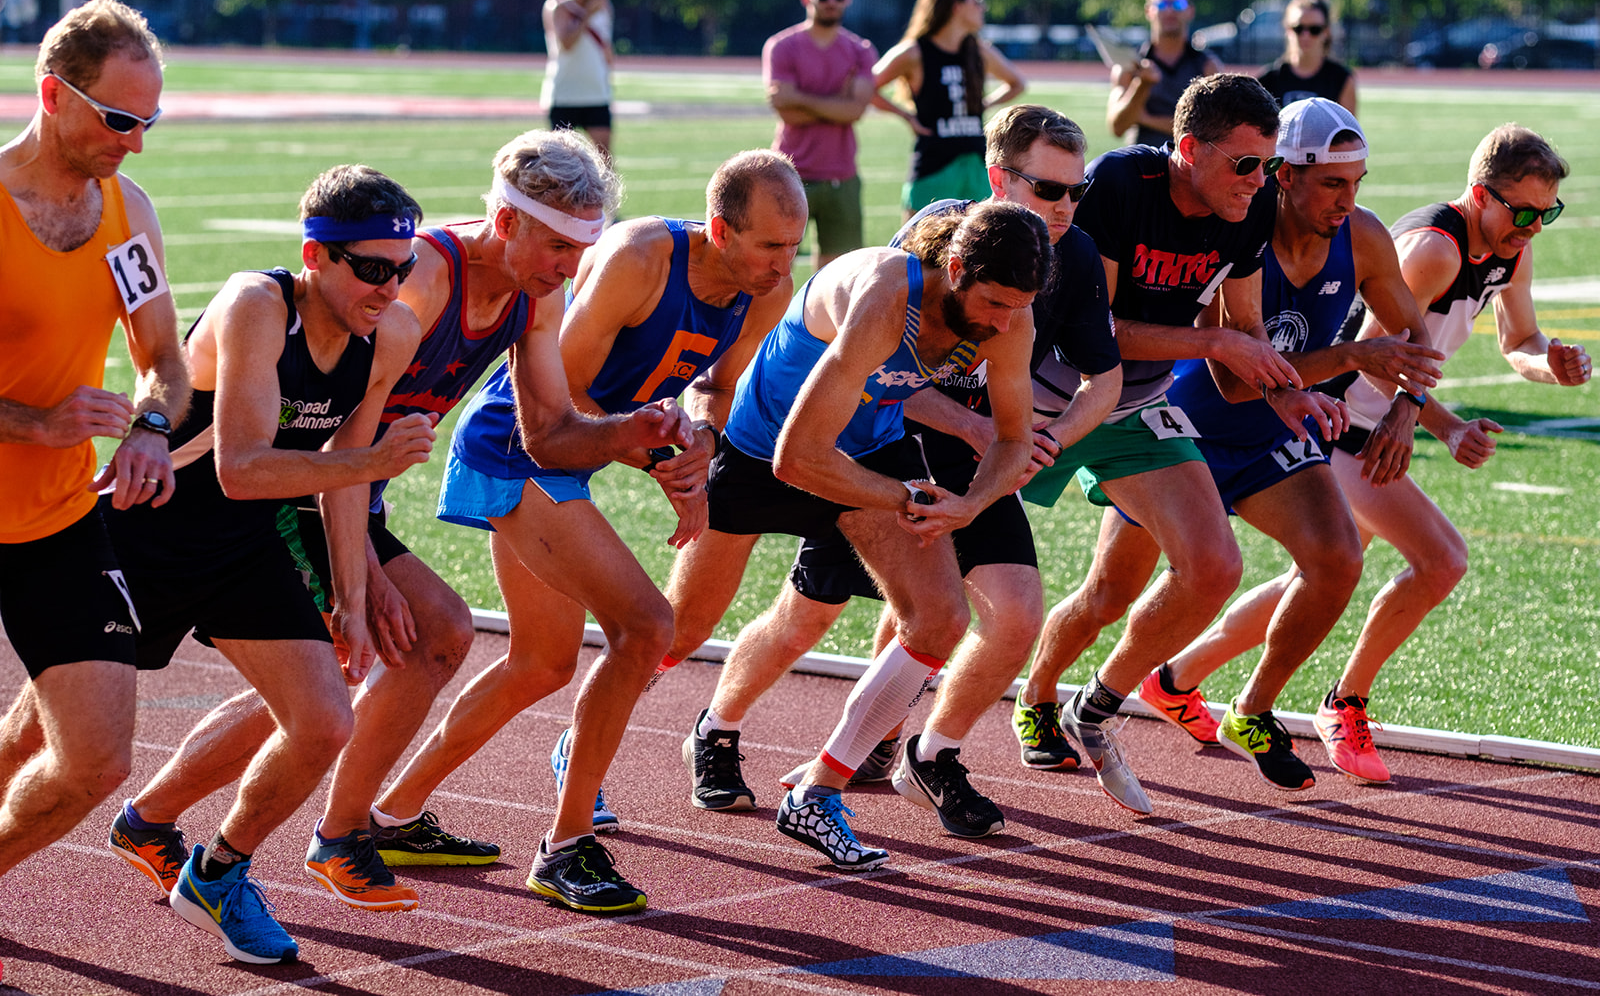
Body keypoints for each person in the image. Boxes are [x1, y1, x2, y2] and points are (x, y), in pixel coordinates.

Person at [107, 129, 618, 915]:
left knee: (400, 647)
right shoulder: (409, 291)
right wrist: (362, 575)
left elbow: (544, 429)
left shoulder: (528, 296)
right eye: (557, 243)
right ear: (509, 222)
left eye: (582, 247)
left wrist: (640, 438)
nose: (569, 265)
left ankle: (246, 830)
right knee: (375, 651)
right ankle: (274, 830)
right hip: (267, 489)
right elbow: (310, 441)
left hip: (329, 482)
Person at [661, 106, 1120, 843]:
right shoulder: (887, 294)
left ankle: (819, 790)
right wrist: (909, 496)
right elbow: (797, 457)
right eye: (996, 306)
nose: (1006, 326)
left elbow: (1008, 434)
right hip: (767, 443)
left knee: (941, 616)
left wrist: (967, 504)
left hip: (876, 442)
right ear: (960, 270)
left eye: (1020, 310)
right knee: (682, 627)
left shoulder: (1016, 311)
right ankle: (657, 735)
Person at [376, 150, 807, 914]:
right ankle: (568, 843)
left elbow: (718, 389)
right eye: (772, 246)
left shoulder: (760, 291)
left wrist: (696, 445)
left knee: (540, 664)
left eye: (796, 244)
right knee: (646, 627)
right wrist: (651, 449)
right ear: (719, 229)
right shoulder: (641, 258)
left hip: (578, 453)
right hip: (517, 447)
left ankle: (393, 814)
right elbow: (557, 403)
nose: (785, 264)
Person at [1154, 122, 1589, 786]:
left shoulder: (1509, 247)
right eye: (1523, 211)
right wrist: (1436, 424)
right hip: (1339, 420)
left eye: (1546, 214)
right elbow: (1371, 358)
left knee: (1319, 576)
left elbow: (1519, 338)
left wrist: (1549, 364)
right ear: (1480, 195)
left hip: (1374, 420)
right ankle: (1342, 701)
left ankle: (1175, 678)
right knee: (1441, 559)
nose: (1533, 227)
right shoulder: (1433, 251)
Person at [102, 165, 433, 964]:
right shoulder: (258, 304)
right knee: (62, 744)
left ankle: (218, 872)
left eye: (405, 266)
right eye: (372, 267)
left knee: (325, 720)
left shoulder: (390, 334)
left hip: (243, 545)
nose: (391, 285)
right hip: (145, 531)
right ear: (317, 257)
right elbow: (241, 468)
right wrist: (374, 459)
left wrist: (353, 595)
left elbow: (347, 464)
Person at [1127, 98, 1446, 791]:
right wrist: (1355, 357)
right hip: (1190, 426)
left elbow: (1415, 337)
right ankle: (1047, 700)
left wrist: (1406, 409)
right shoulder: (1236, 233)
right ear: (1284, 175)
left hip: (1276, 432)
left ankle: (1253, 705)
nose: (1348, 200)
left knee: (1337, 558)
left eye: (1357, 182)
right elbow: (1238, 383)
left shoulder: (1360, 237)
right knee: (1110, 592)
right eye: (1333, 183)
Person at [1011, 73, 1300, 815]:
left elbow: (1247, 324)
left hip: (1139, 403)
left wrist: (1286, 387)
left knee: (1210, 567)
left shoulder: (1252, 202)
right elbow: (1094, 334)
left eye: (1265, 163)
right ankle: (892, 736)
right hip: (1053, 393)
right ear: (1187, 149)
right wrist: (1215, 343)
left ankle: (1095, 706)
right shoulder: (1117, 184)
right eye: (1243, 163)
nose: (1258, 180)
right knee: (951, 561)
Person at [0, 0, 188, 926]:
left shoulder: (125, 213)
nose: (137, 143)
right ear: (52, 96)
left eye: (148, 121)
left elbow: (162, 357)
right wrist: (29, 419)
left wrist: (151, 426)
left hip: (58, 518)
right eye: (120, 120)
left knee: (97, 763)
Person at [872, 0, 1026, 218]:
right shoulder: (915, 52)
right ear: (956, 7)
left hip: (976, 162)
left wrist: (984, 104)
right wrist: (906, 116)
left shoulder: (977, 50)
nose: (983, 7)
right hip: (934, 165)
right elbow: (868, 86)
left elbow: (1017, 83)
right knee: (920, 250)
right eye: (976, 0)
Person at [763, 0, 878, 270]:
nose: (832, 2)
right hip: (790, 174)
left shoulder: (861, 50)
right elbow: (787, 112)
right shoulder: (781, 47)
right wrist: (836, 103)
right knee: (772, 270)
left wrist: (800, 98)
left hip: (842, 176)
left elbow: (854, 111)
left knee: (838, 276)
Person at [1108, 0, 1220, 148]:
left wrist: (1145, 118)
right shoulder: (1130, 64)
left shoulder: (1208, 66)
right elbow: (1117, 126)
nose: (1169, 11)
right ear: (1148, 11)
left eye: (1178, 4)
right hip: (1141, 166)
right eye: (1161, 4)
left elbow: (1212, 130)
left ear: (1190, 10)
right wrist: (1142, 85)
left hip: (1190, 169)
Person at [541, 0, 614, 162]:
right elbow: (567, 43)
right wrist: (586, 15)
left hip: (596, 93)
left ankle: (603, 196)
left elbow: (606, 48)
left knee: (604, 159)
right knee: (560, 161)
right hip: (565, 94)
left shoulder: (605, 9)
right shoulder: (558, 6)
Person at [1256, 0, 1358, 113]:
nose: (1306, 36)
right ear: (1288, 29)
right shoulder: (1268, 80)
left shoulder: (1341, 80)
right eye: (1298, 28)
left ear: (1326, 32)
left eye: (1314, 29)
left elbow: (1347, 131)